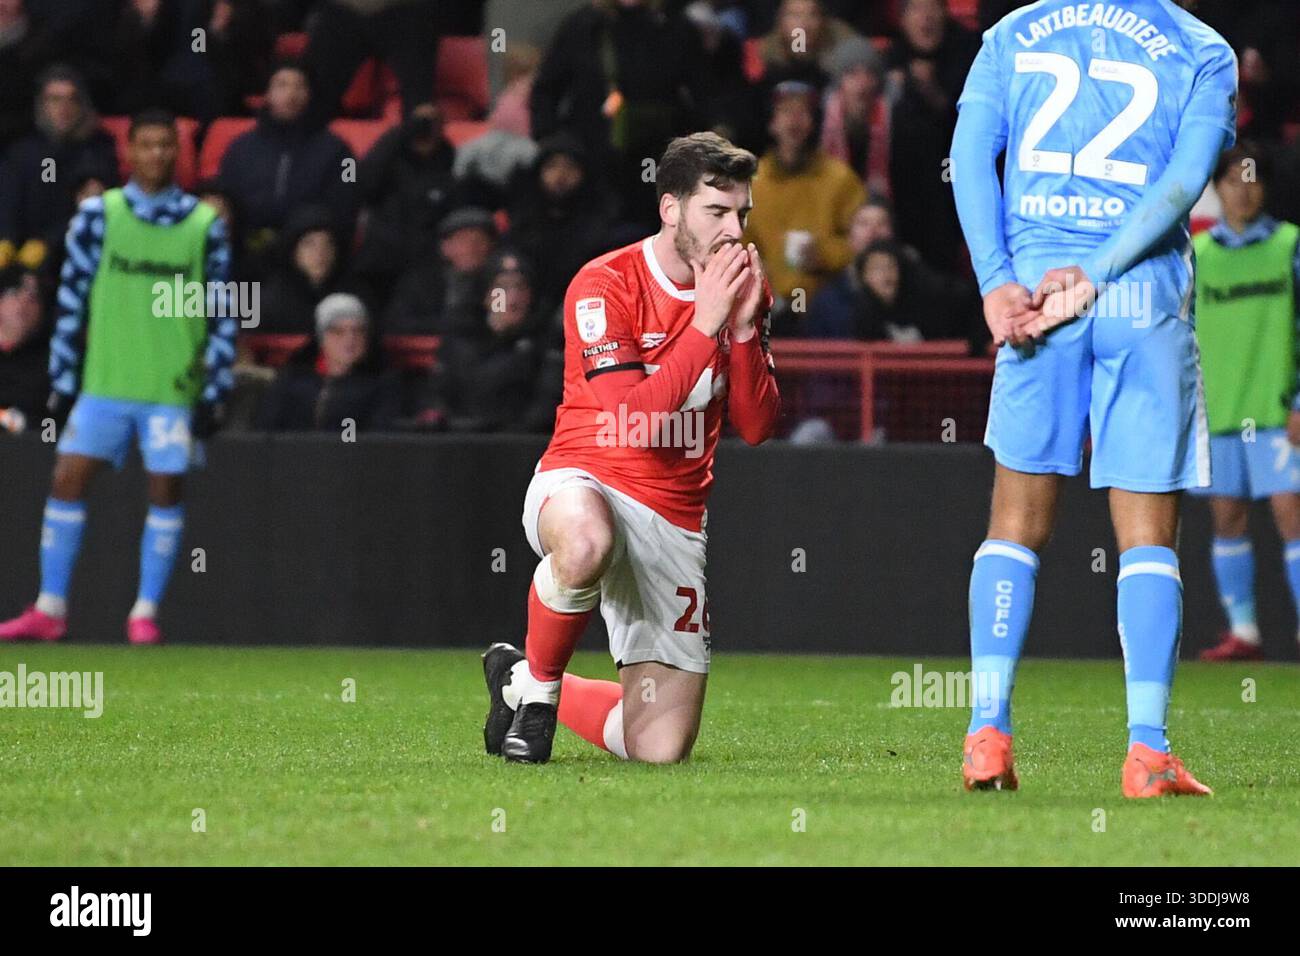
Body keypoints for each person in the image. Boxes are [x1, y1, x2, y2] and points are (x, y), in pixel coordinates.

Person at [950, 0, 1237, 797]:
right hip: (1138, 303)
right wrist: (1100, 273)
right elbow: (1184, 182)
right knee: (1147, 537)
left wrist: (994, 282)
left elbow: (970, 155)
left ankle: (987, 735)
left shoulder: (1014, 30)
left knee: (1014, 524)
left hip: (1035, 300)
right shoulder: (1201, 47)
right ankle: (1147, 753)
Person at [480, 132, 780, 764]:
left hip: (674, 515)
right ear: (670, 208)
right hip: (586, 477)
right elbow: (633, 422)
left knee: (658, 749)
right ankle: (538, 701)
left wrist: (746, 328)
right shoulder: (605, 283)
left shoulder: (739, 286)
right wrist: (706, 323)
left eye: (742, 214)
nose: (735, 230)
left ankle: (511, 677)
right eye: (717, 212)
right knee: (586, 543)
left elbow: (756, 427)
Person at [0, 110, 235, 645]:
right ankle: (50, 608)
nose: (155, 155)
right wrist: (62, 379)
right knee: (66, 479)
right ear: (129, 151)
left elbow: (222, 310)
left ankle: (144, 613)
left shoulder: (204, 225)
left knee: (166, 488)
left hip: (171, 386)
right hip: (105, 381)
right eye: (146, 145)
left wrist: (215, 387)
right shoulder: (97, 216)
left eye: (165, 146)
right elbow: (71, 302)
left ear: (178, 152)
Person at [1187, 144, 1300, 662]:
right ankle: (1244, 632)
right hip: (1219, 412)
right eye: (1234, 179)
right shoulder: (1198, 257)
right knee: (1226, 518)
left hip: (1278, 413)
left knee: (1290, 515)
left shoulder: (1289, 246)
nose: (1244, 188)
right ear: (1218, 187)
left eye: (1253, 178)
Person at [745, 80, 864, 333]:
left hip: (828, 309)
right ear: (772, 123)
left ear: (814, 123)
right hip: (768, 308)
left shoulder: (840, 178)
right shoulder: (752, 183)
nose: (794, 121)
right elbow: (735, 245)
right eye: (785, 112)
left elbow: (863, 246)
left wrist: (824, 255)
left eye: (802, 113)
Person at [256, 293, 400, 432]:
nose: (350, 339)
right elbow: (266, 433)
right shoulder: (291, 381)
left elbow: (378, 441)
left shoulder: (381, 385)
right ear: (321, 338)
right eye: (338, 331)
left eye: (358, 331)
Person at [0, 265, 48, 427]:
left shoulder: (51, 365)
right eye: (15, 293)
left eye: (34, 297)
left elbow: (50, 430)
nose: (24, 302)